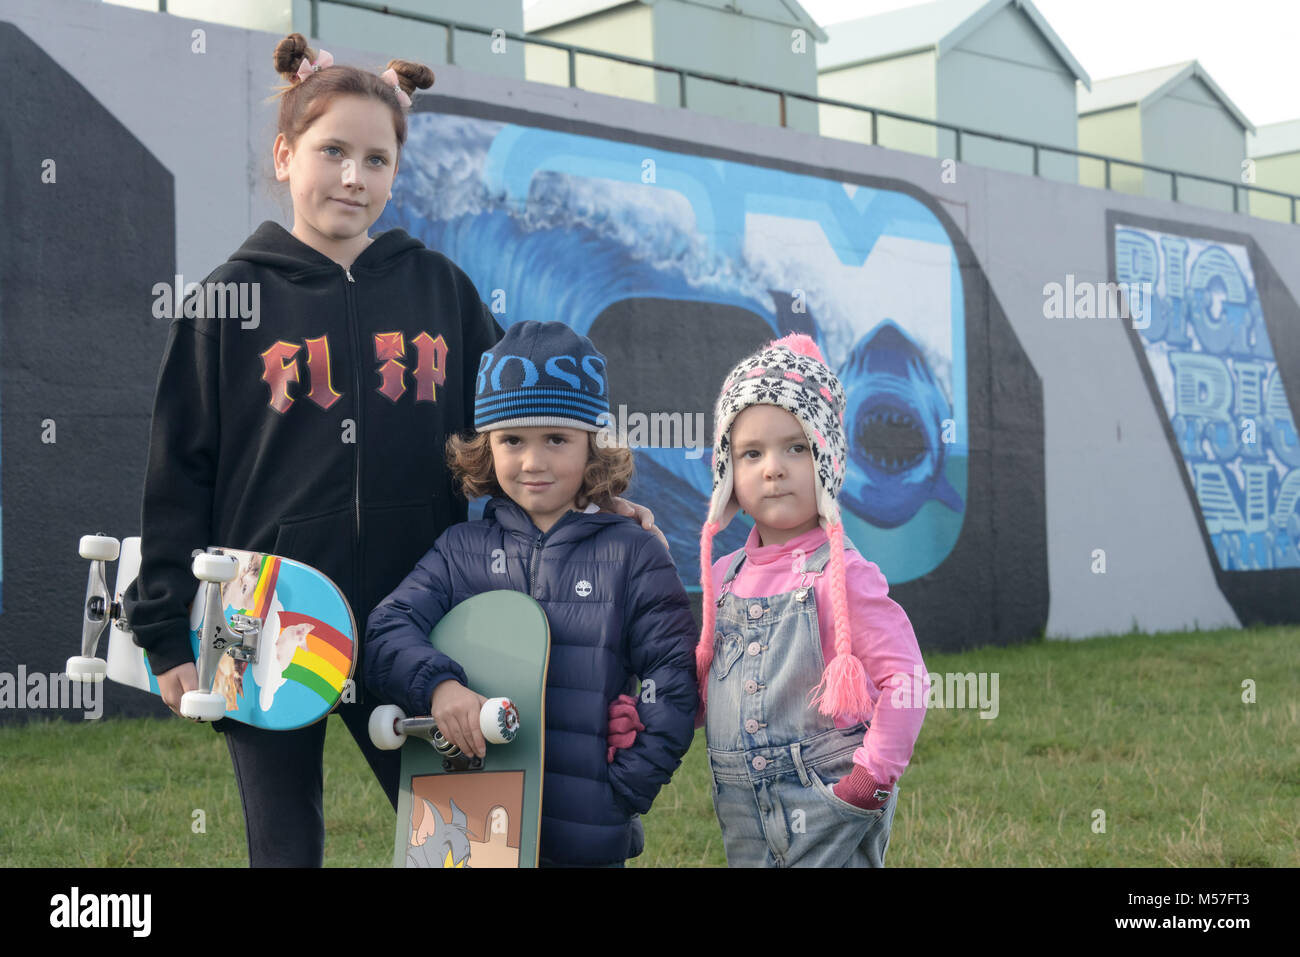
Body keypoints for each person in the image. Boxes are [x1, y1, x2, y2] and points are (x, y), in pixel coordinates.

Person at [123, 35, 658, 867]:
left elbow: (515, 423)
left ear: (396, 173)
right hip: (263, 615)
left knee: (466, 837)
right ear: (284, 154)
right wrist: (163, 631)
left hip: (421, 608)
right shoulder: (228, 299)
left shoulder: (439, 289)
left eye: (377, 159)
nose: (352, 176)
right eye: (332, 150)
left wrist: (594, 495)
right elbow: (179, 468)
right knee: (284, 846)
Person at [366, 321, 699, 867]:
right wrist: (439, 688)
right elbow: (386, 631)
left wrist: (626, 789)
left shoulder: (634, 554)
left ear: (592, 445)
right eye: (512, 439)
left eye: (557, 439)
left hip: (586, 827)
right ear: (487, 446)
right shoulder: (459, 551)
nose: (532, 461)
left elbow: (674, 677)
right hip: (472, 821)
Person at [695, 333, 928, 867]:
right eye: (751, 453)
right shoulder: (724, 576)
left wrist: (868, 781)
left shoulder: (843, 576)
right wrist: (644, 712)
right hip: (742, 810)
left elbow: (906, 679)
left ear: (826, 459)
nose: (772, 468)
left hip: (829, 801)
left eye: (796, 447)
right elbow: (704, 692)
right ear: (728, 473)